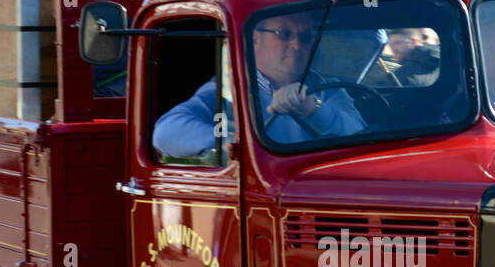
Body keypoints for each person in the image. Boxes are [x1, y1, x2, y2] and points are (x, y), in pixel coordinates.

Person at [153, 12, 366, 158]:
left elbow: (361, 139)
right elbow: (165, 133)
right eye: (284, 34)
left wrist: (313, 107)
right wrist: (233, 143)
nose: (296, 44)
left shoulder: (327, 88)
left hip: (321, 190)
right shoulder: (230, 91)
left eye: (305, 37)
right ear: (255, 39)